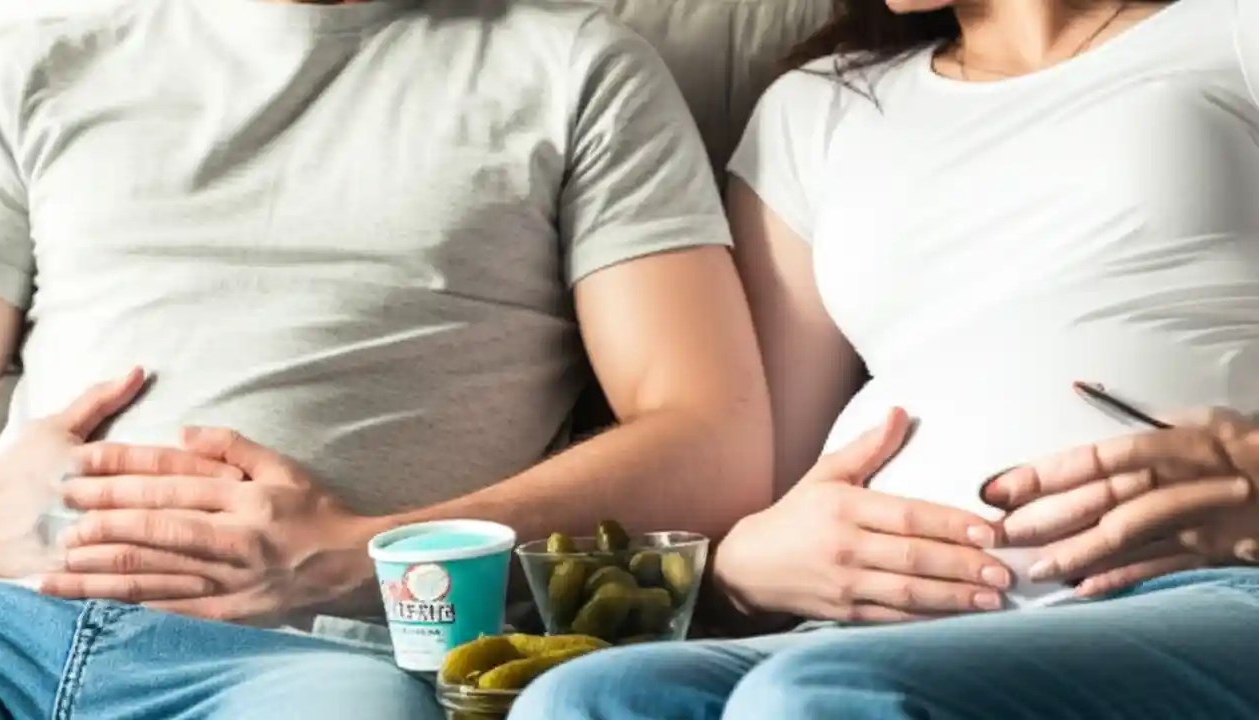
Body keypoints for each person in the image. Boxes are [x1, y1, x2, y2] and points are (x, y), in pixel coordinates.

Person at [0, 0, 773, 718]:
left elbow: (717, 441)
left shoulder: (578, 70)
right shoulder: (30, 68)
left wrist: (367, 554)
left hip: (311, 662)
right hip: (3, 624)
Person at [508, 0, 1259, 717]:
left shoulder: (1230, 28)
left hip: (1199, 591)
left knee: (819, 698)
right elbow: (761, 479)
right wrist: (739, 572)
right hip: (869, 630)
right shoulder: (816, 108)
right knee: (584, 700)